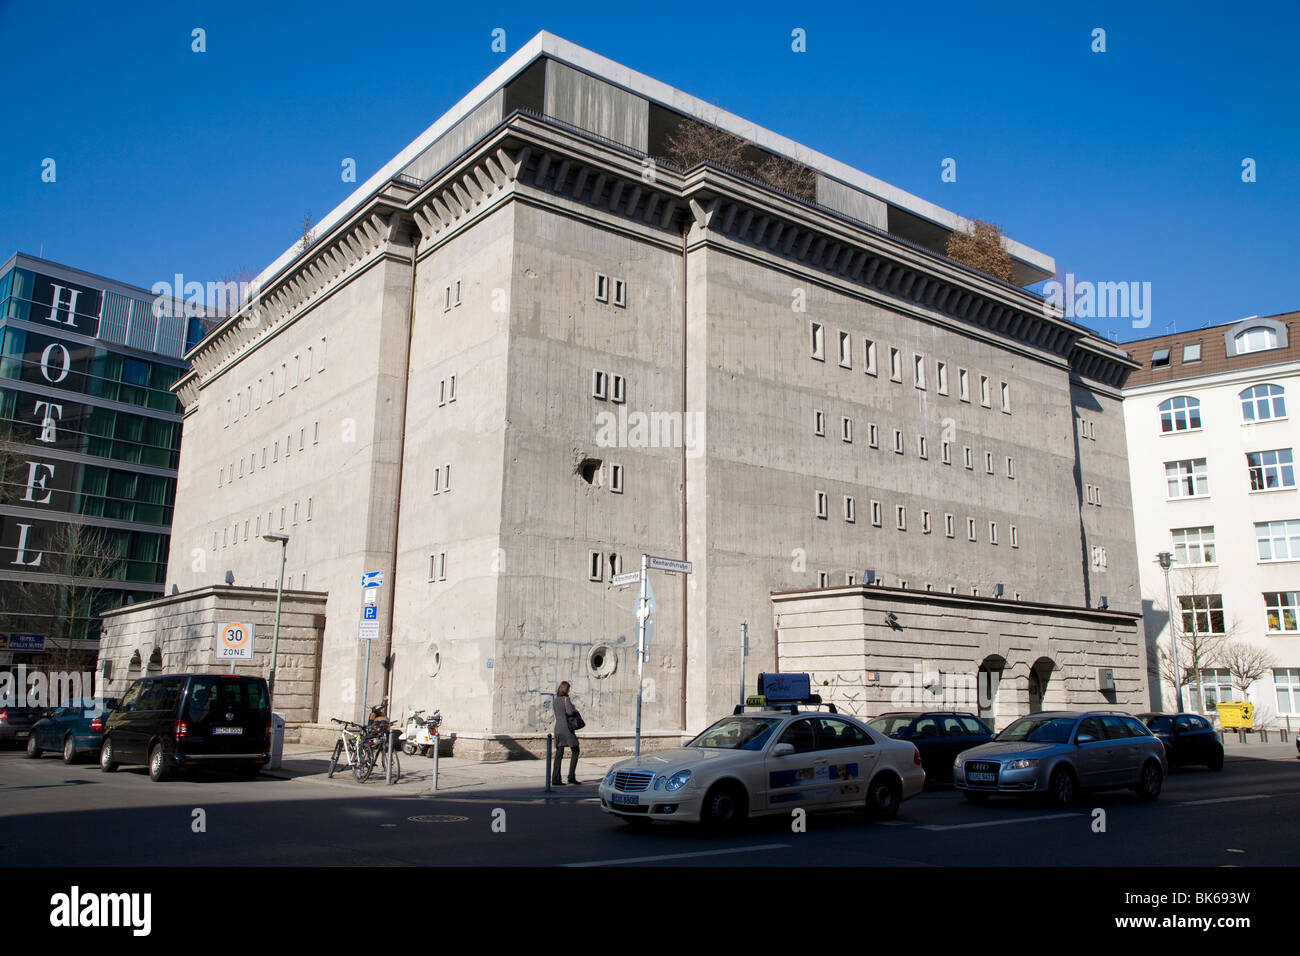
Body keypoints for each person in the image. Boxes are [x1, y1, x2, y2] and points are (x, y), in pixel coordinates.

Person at [552, 681, 580, 785]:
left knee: (559, 753)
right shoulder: (566, 699)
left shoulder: (555, 700)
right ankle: (571, 776)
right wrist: (573, 707)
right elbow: (569, 712)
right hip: (567, 729)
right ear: (566, 689)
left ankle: (555, 778)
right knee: (576, 750)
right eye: (568, 689)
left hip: (558, 728)